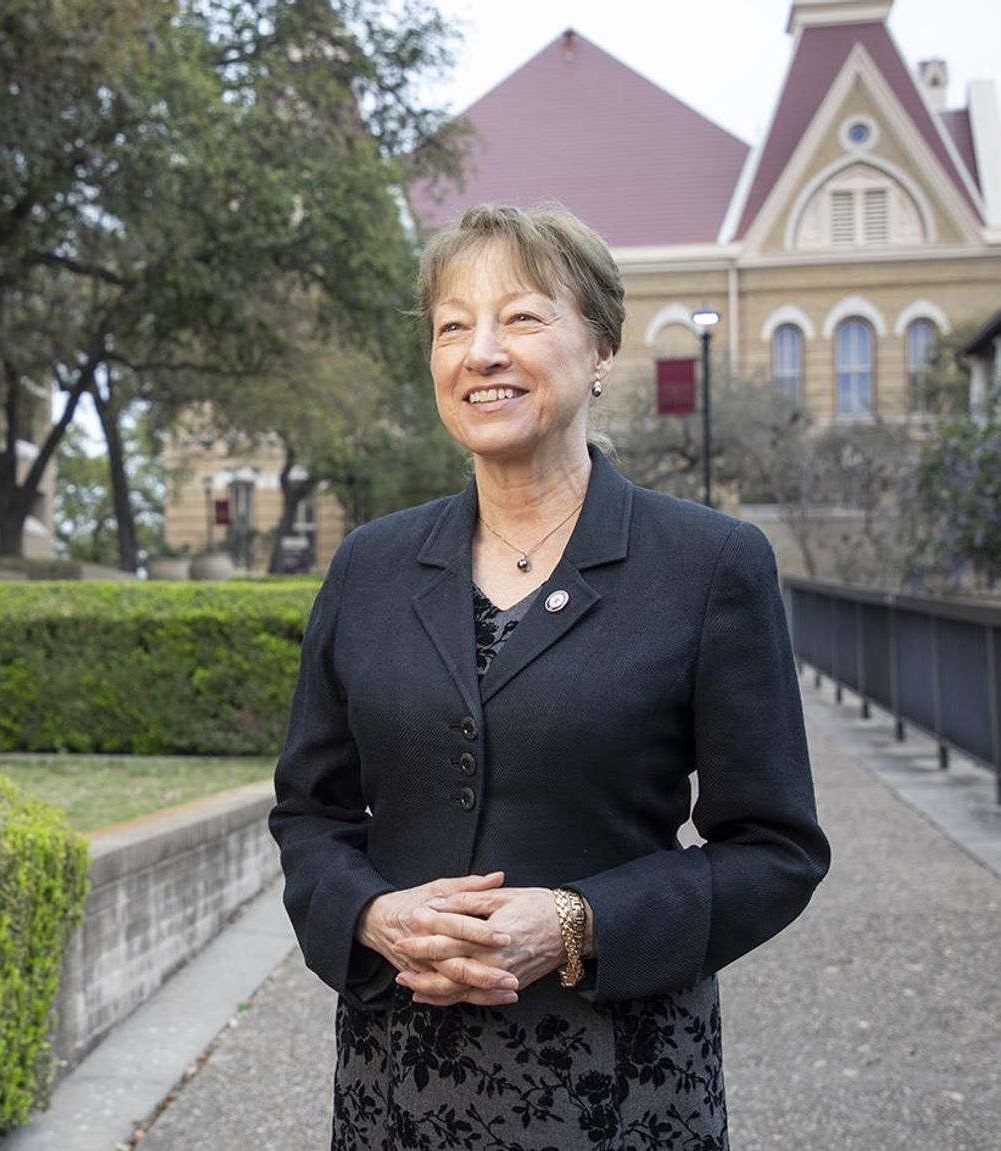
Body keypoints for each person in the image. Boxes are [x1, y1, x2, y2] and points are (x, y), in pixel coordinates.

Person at [269, 203, 831, 1151]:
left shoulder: (706, 564)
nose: (481, 351)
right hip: (399, 1084)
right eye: (454, 326)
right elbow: (309, 817)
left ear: (602, 347)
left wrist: (579, 920)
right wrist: (370, 912)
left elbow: (776, 849)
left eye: (522, 318)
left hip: (619, 1085)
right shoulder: (370, 565)